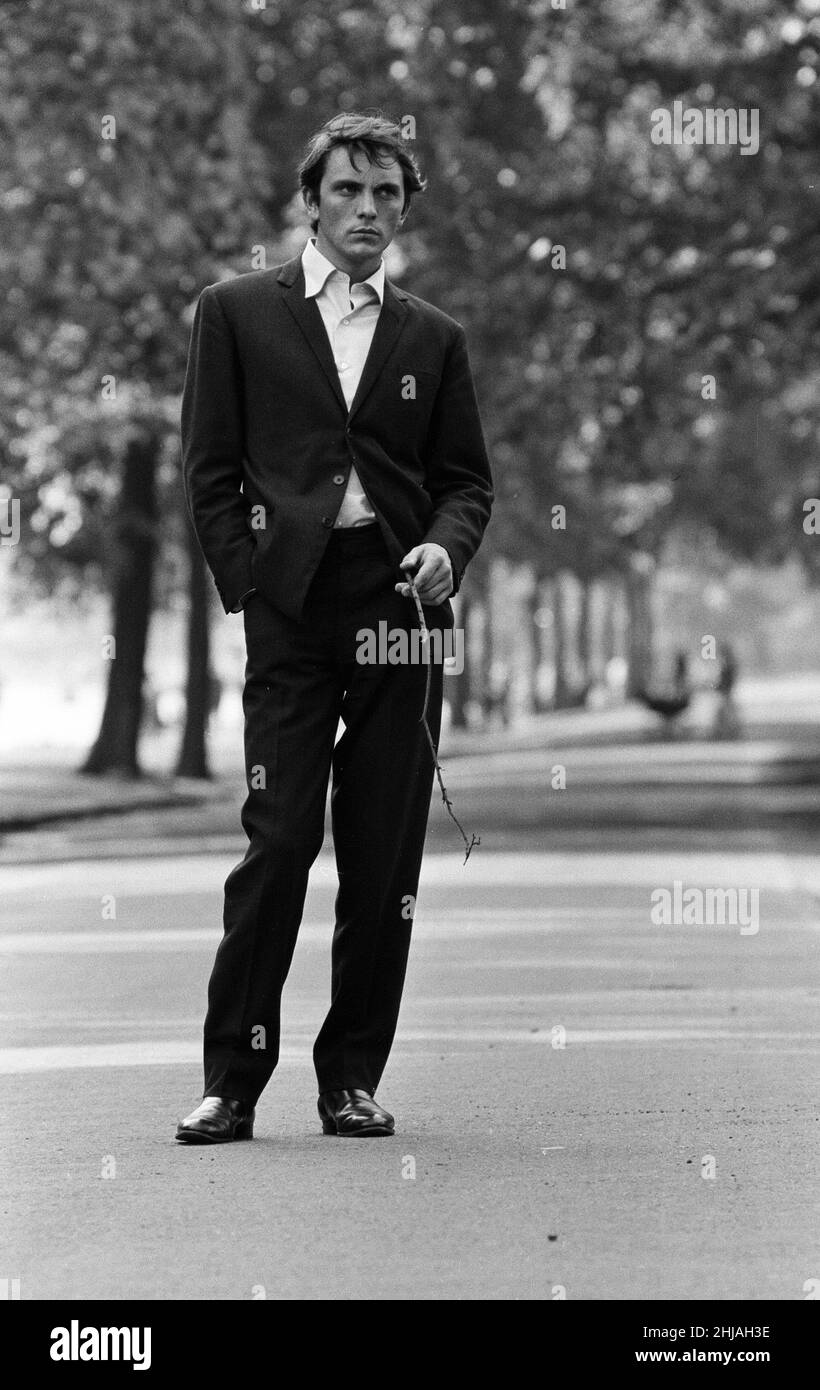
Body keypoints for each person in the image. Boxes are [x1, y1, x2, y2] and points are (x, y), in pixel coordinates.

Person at [176, 113, 493, 1142]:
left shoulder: (432, 338)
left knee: (382, 853)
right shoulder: (235, 313)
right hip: (292, 606)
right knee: (277, 843)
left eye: (386, 196)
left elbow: (464, 485)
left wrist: (448, 547)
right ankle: (232, 1081)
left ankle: (350, 1077)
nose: (367, 210)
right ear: (309, 201)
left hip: (401, 609)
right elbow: (209, 471)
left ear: (403, 212)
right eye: (348, 191)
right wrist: (250, 588)